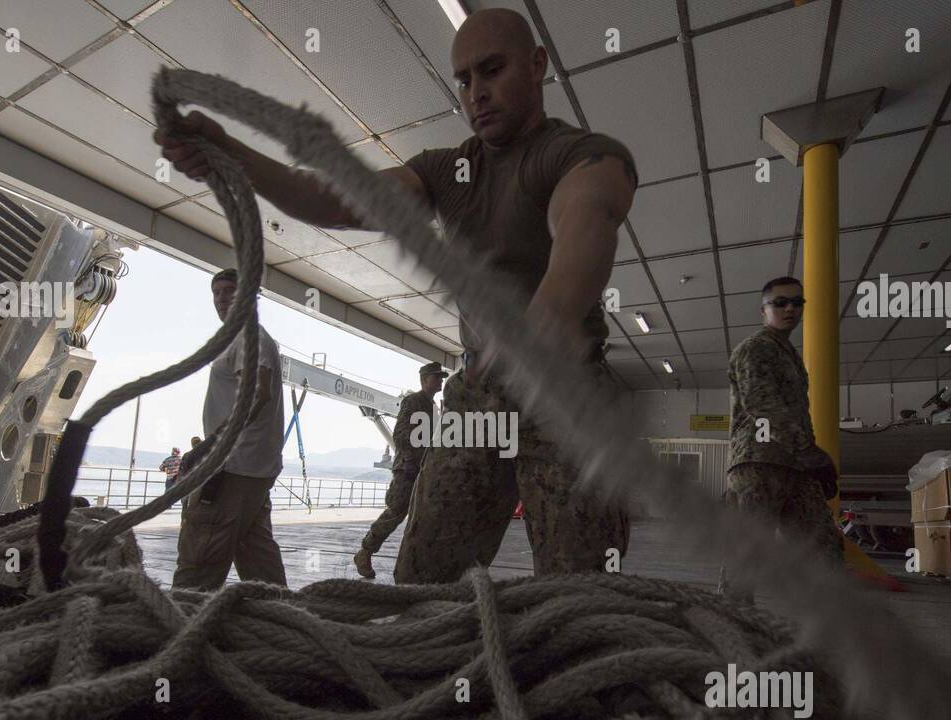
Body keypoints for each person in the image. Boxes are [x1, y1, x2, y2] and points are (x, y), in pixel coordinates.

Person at [156, 9, 635, 583]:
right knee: (421, 578)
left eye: (492, 70)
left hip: (569, 394)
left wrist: (538, 333)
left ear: (537, 66)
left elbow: (585, 222)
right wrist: (230, 155)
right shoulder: (447, 170)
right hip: (479, 397)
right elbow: (330, 198)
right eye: (463, 80)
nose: (476, 93)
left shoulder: (584, 156)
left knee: (579, 591)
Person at [718, 277, 842, 604]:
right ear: (763, 310)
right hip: (758, 465)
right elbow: (762, 405)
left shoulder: (789, 356)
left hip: (795, 468)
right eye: (780, 302)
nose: (790, 309)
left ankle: (831, 632)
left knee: (824, 548)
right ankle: (731, 634)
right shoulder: (755, 348)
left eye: (797, 303)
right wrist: (809, 452)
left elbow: (798, 414)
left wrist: (809, 460)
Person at [172, 269, 287, 589]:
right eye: (217, 293)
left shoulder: (248, 337)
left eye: (230, 291)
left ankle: (180, 624)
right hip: (251, 472)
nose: (222, 299)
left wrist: (213, 443)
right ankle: (280, 620)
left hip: (231, 467)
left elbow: (259, 394)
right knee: (257, 556)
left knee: (200, 557)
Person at [353, 362, 445, 578]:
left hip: (424, 470)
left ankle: (414, 565)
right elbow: (401, 435)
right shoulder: (413, 402)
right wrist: (423, 450)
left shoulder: (433, 407)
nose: (441, 380)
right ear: (424, 380)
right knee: (396, 512)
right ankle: (365, 551)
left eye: (441, 377)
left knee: (422, 519)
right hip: (408, 469)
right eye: (437, 377)